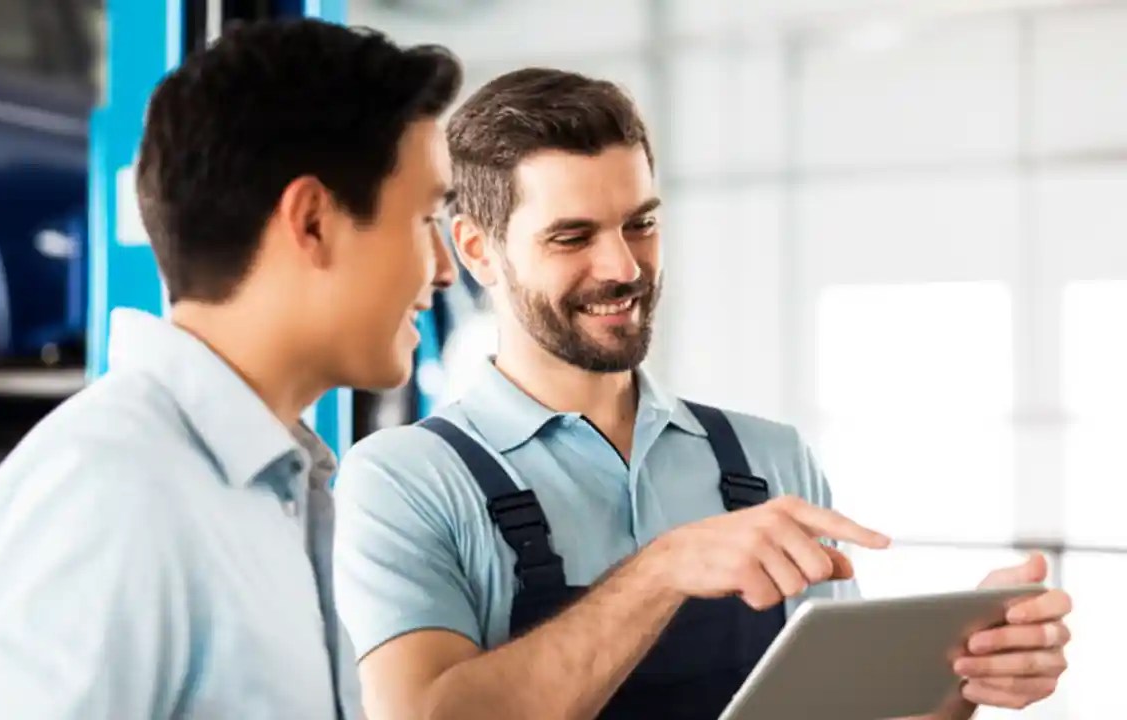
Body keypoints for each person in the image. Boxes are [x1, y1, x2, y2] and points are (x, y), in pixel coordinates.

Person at [332, 68, 1073, 720]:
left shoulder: (769, 460)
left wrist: (961, 679)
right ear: (476, 251)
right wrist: (662, 571)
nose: (624, 267)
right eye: (573, 237)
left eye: (641, 224)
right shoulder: (404, 481)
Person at [0, 19, 460, 719]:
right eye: (426, 219)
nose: (445, 269)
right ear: (312, 221)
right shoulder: (106, 500)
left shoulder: (268, 491)